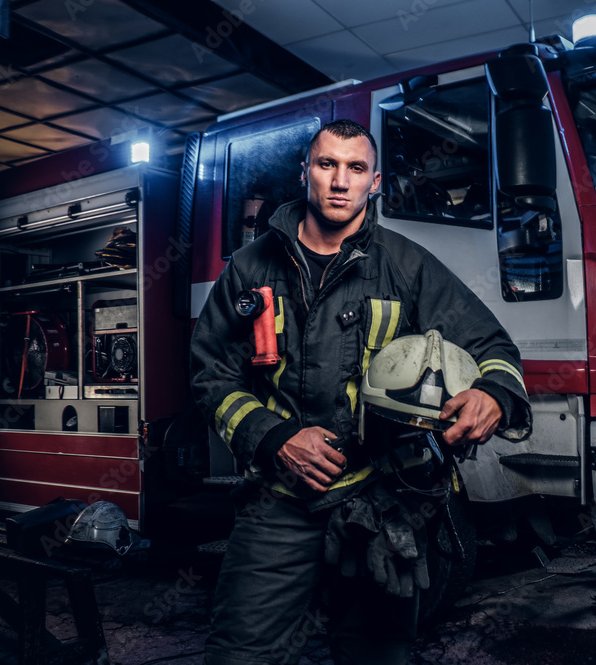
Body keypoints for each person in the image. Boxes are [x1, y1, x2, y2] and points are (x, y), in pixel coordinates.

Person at [190, 119, 531, 665]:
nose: (340, 181)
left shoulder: (405, 264)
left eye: (355, 168)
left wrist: (493, 393)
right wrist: (275, 438)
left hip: (381, 503)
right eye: (327, 165)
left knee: (377, 653)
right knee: (242, 654)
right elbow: (211, 374)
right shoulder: (252, 268)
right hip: (278, 504)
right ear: (306, 173)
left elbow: (492, 345)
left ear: (374, 182)